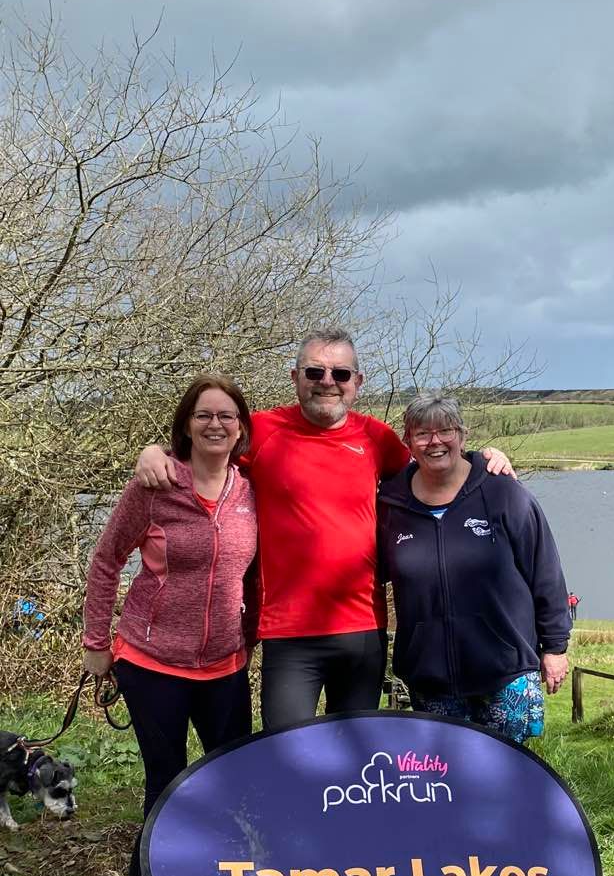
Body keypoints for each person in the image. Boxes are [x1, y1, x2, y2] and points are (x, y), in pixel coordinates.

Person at [135, 330, 515, 731]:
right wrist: (154, 452)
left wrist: (481, 457)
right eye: (315, 372)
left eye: (340, 374)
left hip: (362, 631)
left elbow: (433, 468)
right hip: (288, 632)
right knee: (288, 752)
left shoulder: (376, 438)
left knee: (353, 759)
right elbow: (202, 449)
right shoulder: (261, 431)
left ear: (358, 382)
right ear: (296, 376)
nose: (328, 382)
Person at [83, 374, 257, 815]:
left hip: (225, 662)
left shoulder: (252, 489)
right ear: (186, 426)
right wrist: (95, 644)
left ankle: (232, 874)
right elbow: (107, 560)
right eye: (203, 415)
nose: (214, 424)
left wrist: (252, 634)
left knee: (235, 775)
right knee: (166, 781)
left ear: (240, 428)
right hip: (152, 660)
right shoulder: (154, 486)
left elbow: (257, 573)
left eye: (225, 416)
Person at [378, 395, 570, 744]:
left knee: (508, 779)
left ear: (463, 436)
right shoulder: (390, 506)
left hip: (505, 671)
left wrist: (555, 647)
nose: (435, 442)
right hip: (430, 677)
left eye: (446, 431)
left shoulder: (503, 494)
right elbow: (366, 571)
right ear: (407, 442)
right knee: (444, 785)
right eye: (422, 434)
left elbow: (546, 570)